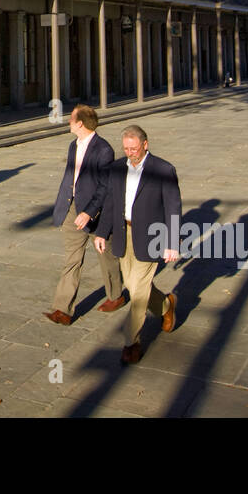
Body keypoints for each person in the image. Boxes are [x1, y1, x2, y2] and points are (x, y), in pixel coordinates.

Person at [93, 124, 180, 364]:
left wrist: (172, 242)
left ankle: (131, 343)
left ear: (145, 144)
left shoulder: (163, 169)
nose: (130, 153)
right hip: (124, 233)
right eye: (126, 148)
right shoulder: (117, 168)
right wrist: (102, 233)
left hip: (151, 236)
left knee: (138, 292)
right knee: (133, 287)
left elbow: (173, 207)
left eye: (134, 148)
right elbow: (111, 202)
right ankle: (165, 305)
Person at [44, 105, 125, 325]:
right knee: (72, 258)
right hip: (72, 209)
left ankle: (116, 295)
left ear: (80, 123)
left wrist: (90, 212)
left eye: (71, 119)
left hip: (96, 212)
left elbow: (104, 186)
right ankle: (63, 308)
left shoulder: (103, 149)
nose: (68, 121)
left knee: (106, 256)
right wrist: (63, 204)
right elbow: (70, 177)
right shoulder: (73, 145)